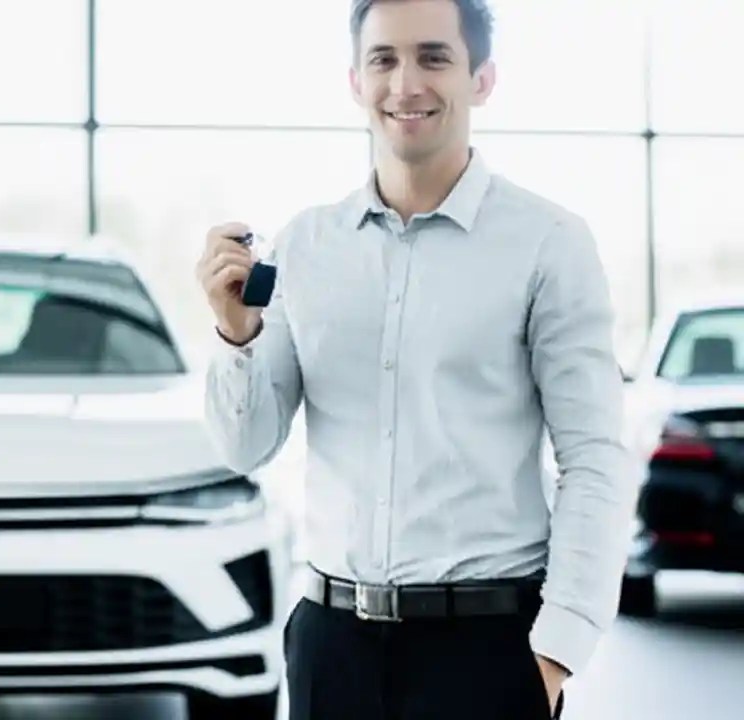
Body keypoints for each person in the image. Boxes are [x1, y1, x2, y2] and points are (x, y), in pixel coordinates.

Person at [196, 1, 638, 718]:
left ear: (482, 79)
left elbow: (594, 457)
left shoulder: (548, 242)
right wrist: (235, 336)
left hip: (489, 651)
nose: (406, 84)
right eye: (384, 60)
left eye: (434, 58)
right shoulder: (305, 247)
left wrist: (555, 653)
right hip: (330, 646)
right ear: (354, 81)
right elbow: (245, 447)